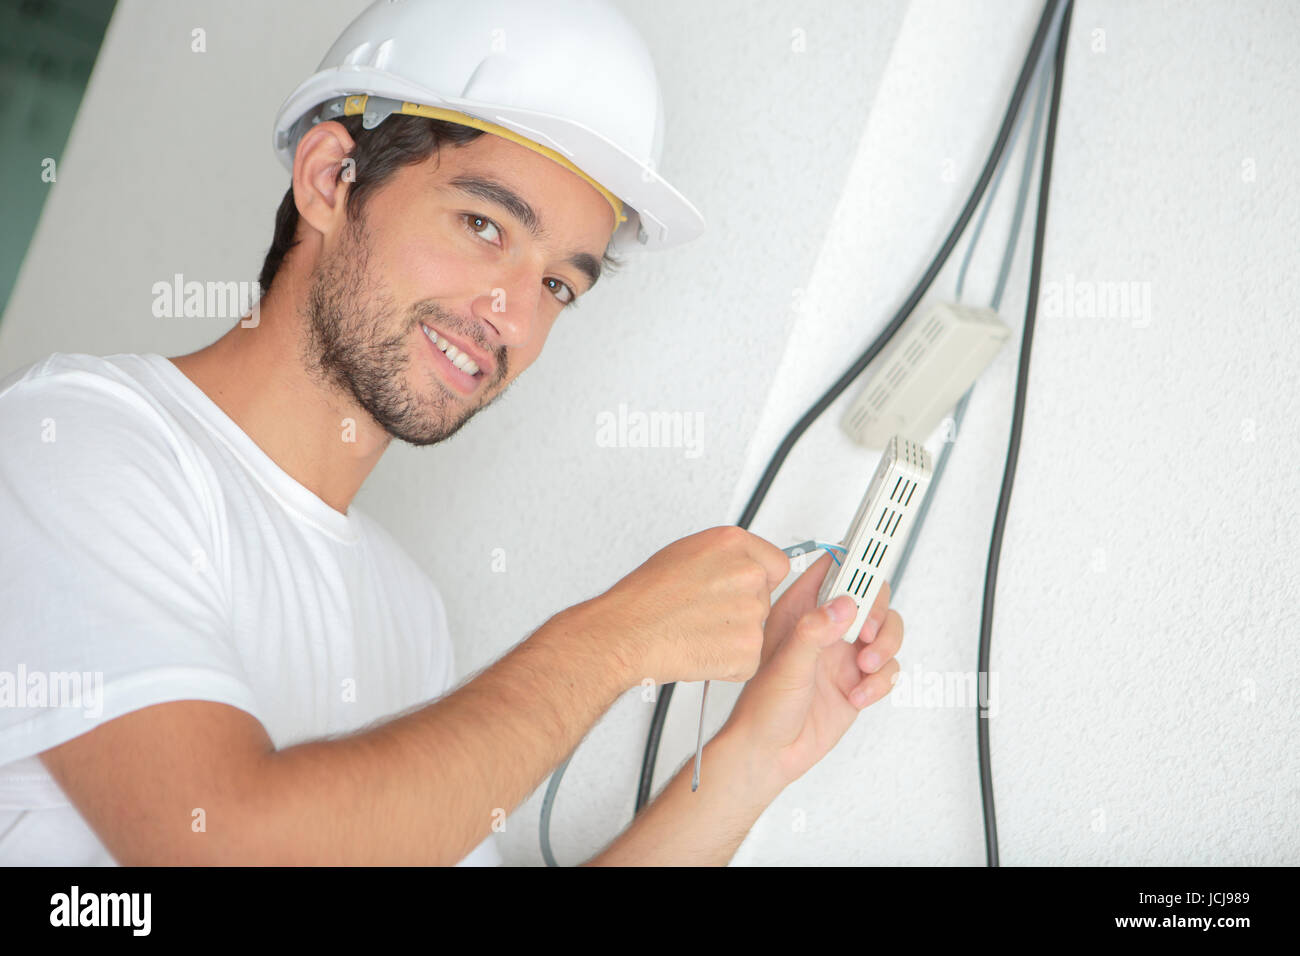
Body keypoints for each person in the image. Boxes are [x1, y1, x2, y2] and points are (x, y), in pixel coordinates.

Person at [0, 0, 903, 866]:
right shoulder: (76, 442)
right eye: (483, 225)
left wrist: (753, 760)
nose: (510, 313)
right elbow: (226, 847)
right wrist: (612, 641)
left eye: (559, 285)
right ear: (329, 179)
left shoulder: (406, 612)